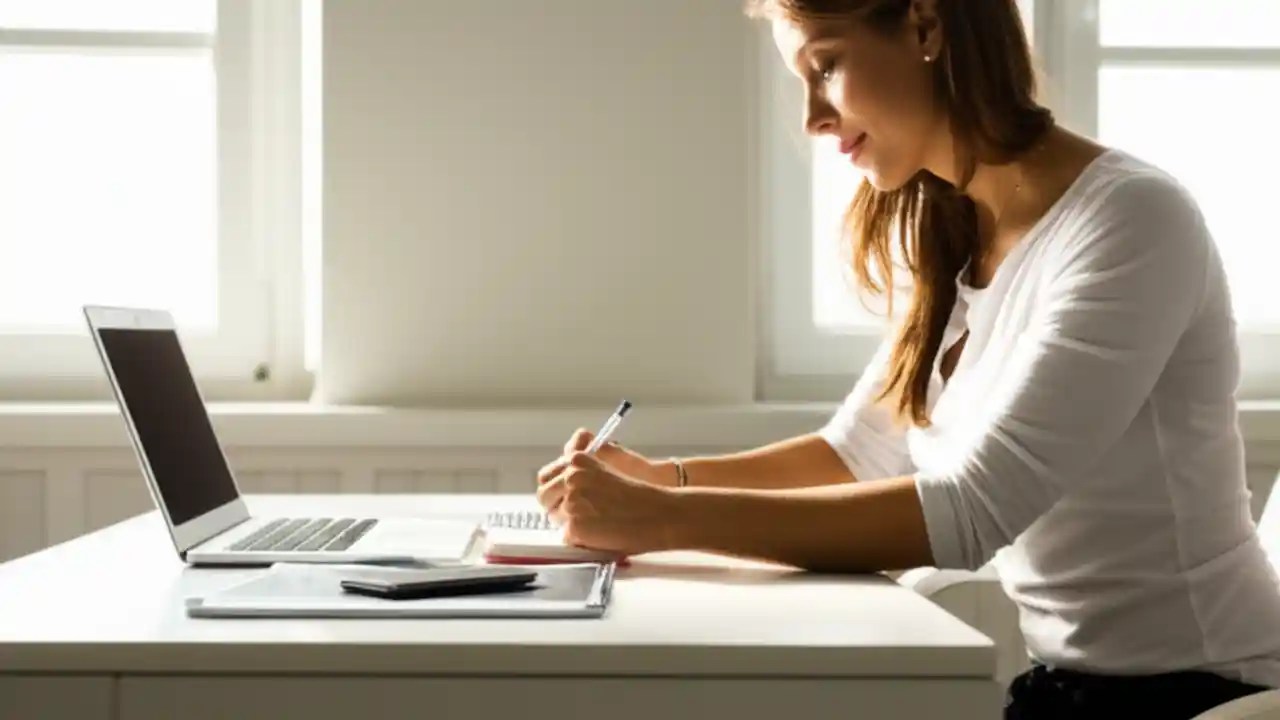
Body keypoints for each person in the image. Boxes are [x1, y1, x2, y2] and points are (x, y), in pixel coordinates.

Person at [534, 1, 1280, 717]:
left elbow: (971, 508)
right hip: (1070, 689)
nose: (812, 119)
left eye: (824, 67)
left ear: (925, 24)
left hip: (1208, 693)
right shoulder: (960, 230)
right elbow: (855, 453)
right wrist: (664, 479)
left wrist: (663, 518)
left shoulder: (1130, 222)